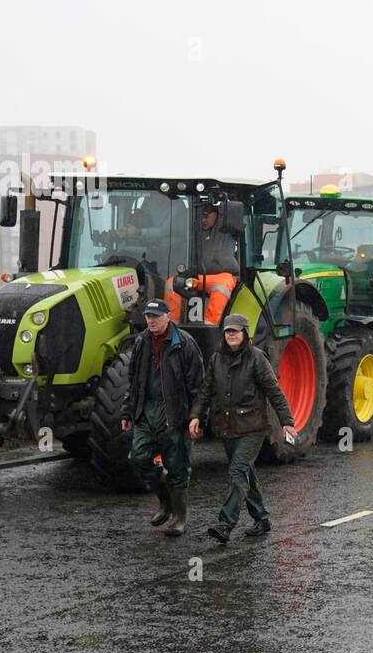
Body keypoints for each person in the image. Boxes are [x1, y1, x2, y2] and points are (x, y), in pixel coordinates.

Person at [189, 314, 298, 544]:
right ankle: (261, 517)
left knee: (237, 470)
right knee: (246, 472)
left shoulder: (257, 359)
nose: (231, 335)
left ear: (245, 334)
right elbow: (206, 390)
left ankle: (226, 523)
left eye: (235, 331)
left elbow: (274, 392)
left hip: (253, 428)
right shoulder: (216, 358)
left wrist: (287, 421)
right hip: (227, 428)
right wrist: (196, 416)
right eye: (228, 331)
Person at [121, 299, 205, 537]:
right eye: (148, 316)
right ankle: (166, 501)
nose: (151, 321)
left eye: (156, 317)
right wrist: (128, 411)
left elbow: (198, 386)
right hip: (146, 409)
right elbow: (134, 381)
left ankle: (179, 517)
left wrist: (197, 418)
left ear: (168, 316)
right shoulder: (140, 342)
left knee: (177, 465)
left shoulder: (185, 344)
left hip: (174, 412)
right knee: (138, 458)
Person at [165, 203, 240, 326]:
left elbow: (228, 212)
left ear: (217, 214)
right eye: (200, 216)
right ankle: (172, 326)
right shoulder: (193, 231)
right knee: (172, 283)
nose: (203, 220)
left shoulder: (225, 229)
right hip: (197, 277)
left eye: (206, 216)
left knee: (222, 286)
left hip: (222, 276)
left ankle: (210, 326)